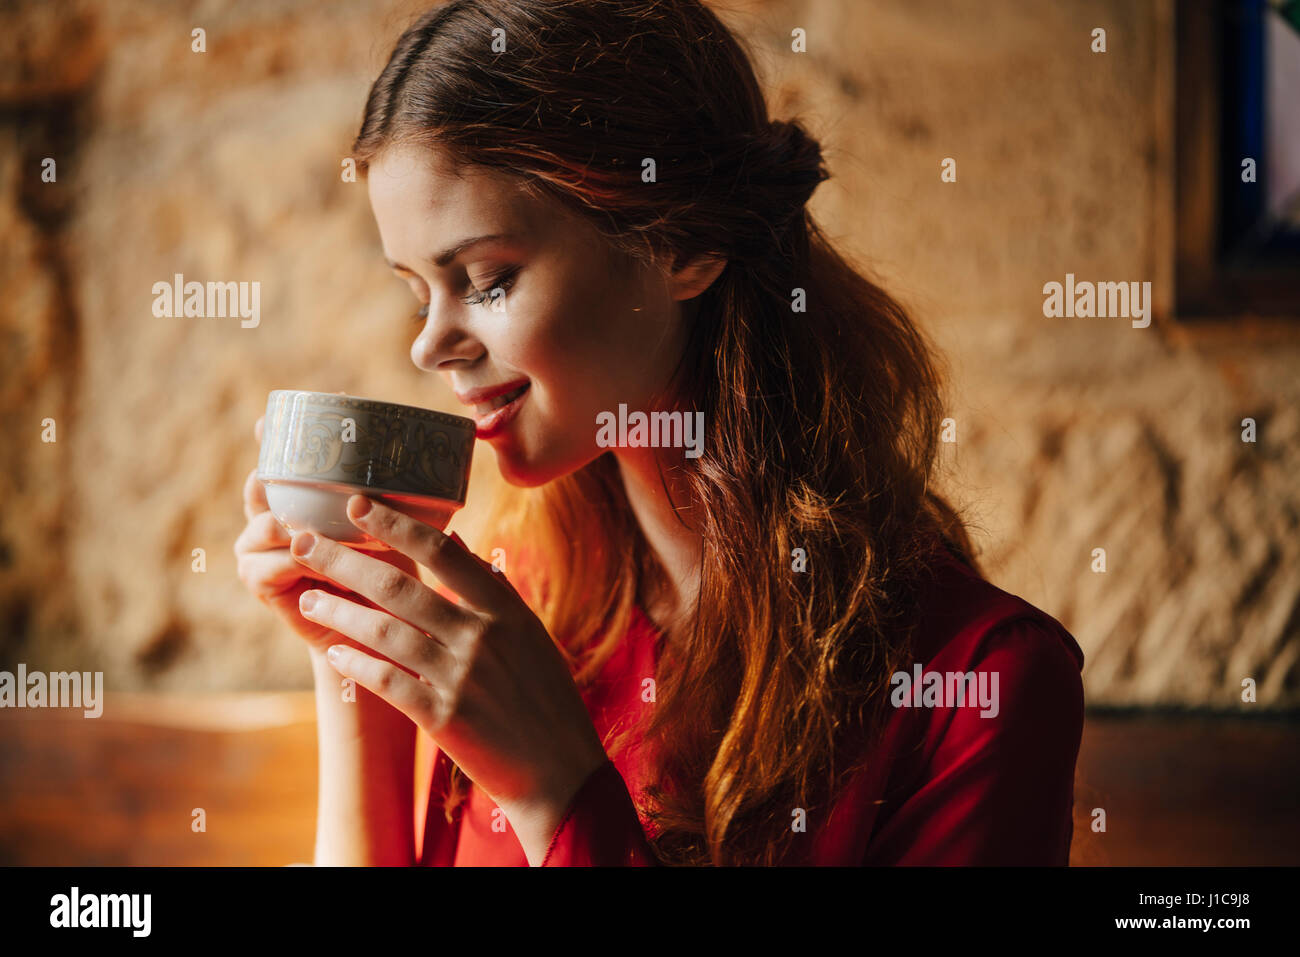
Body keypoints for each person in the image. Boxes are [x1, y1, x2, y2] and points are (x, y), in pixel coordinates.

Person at [235, 0, 1084, 866]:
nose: (429, 344)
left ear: (684, 244)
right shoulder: (531, 609)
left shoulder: (979, 686)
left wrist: (557, 792)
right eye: (420, 291)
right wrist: (355, 663)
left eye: (487, 280)